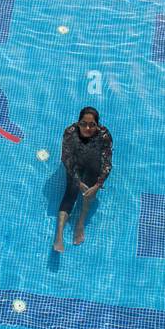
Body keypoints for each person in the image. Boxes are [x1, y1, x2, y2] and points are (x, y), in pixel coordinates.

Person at [53, 107, 112, 252]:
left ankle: (81, 222)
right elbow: (66, 159)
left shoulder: (104, 135)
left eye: (92, 125)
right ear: (78, 123)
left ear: (97, 125)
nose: (87, 128)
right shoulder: (70, 133)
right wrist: (78, 182)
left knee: (89, 193)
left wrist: (97, 185)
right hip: (75, 165)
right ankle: (59, 235)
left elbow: (107, 163)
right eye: (83, 123)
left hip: (93, 164)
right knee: (70, 193)